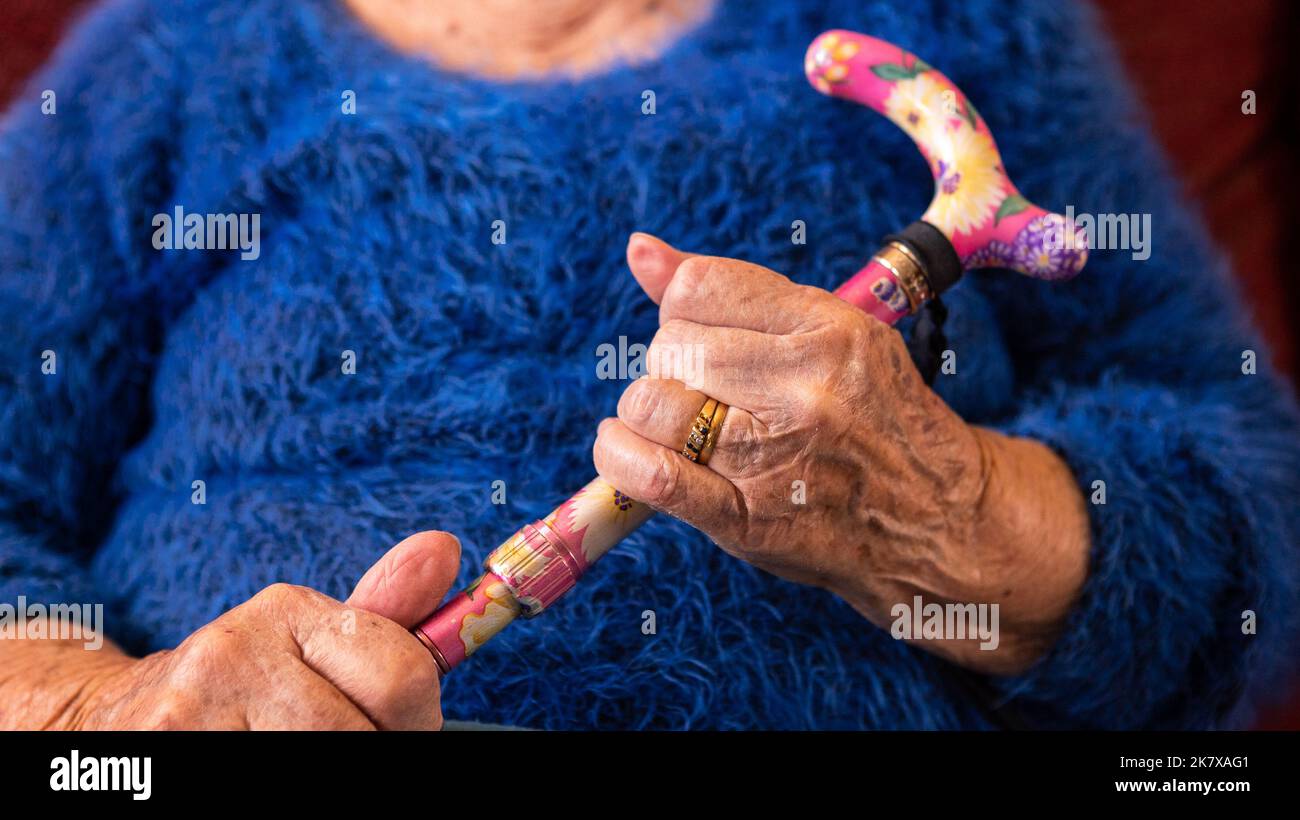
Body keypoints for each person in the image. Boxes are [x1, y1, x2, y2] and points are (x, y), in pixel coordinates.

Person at [0, 0, 1296, 730]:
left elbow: (1263, 506)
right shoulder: (171, 57)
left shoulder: (961, 17)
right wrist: (108, 723)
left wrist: (949, 513)